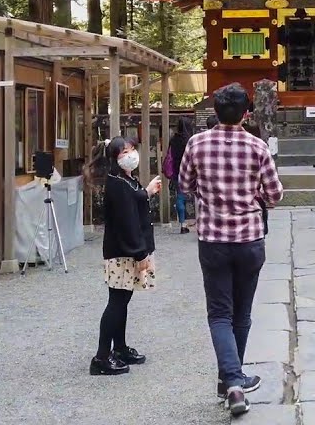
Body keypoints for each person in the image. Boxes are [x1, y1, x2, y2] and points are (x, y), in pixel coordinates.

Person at [180, 83, 284, 418]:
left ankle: (231, 381)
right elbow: (275, 195)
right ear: (246, 113)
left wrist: (206, 195)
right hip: (249, 239)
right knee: (242, 313)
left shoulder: (196, 143)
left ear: (215, 110)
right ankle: (234, 379)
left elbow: (183, 185)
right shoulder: (257, 147)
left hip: (213, 239)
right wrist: (252, 195)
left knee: (220, 314)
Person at [90, 137, 162, 376]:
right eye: (125, 152)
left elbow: (134, 201)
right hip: (123, 251)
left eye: (132, 150)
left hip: (127, 249)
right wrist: (140, 252)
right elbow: (127, 221)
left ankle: (119, 348)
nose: (131, 154)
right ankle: (101, 357)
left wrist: (147, 191)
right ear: (114, 158)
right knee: (117, 302)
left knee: (123, 299)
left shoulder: (125, 180)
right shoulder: (117, 184)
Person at [169, 116, 193, 234]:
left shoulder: (173, 139)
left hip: (176, 171)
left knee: (179, 197)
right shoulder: (190, 140)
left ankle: (183, 223)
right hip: (190, 171)